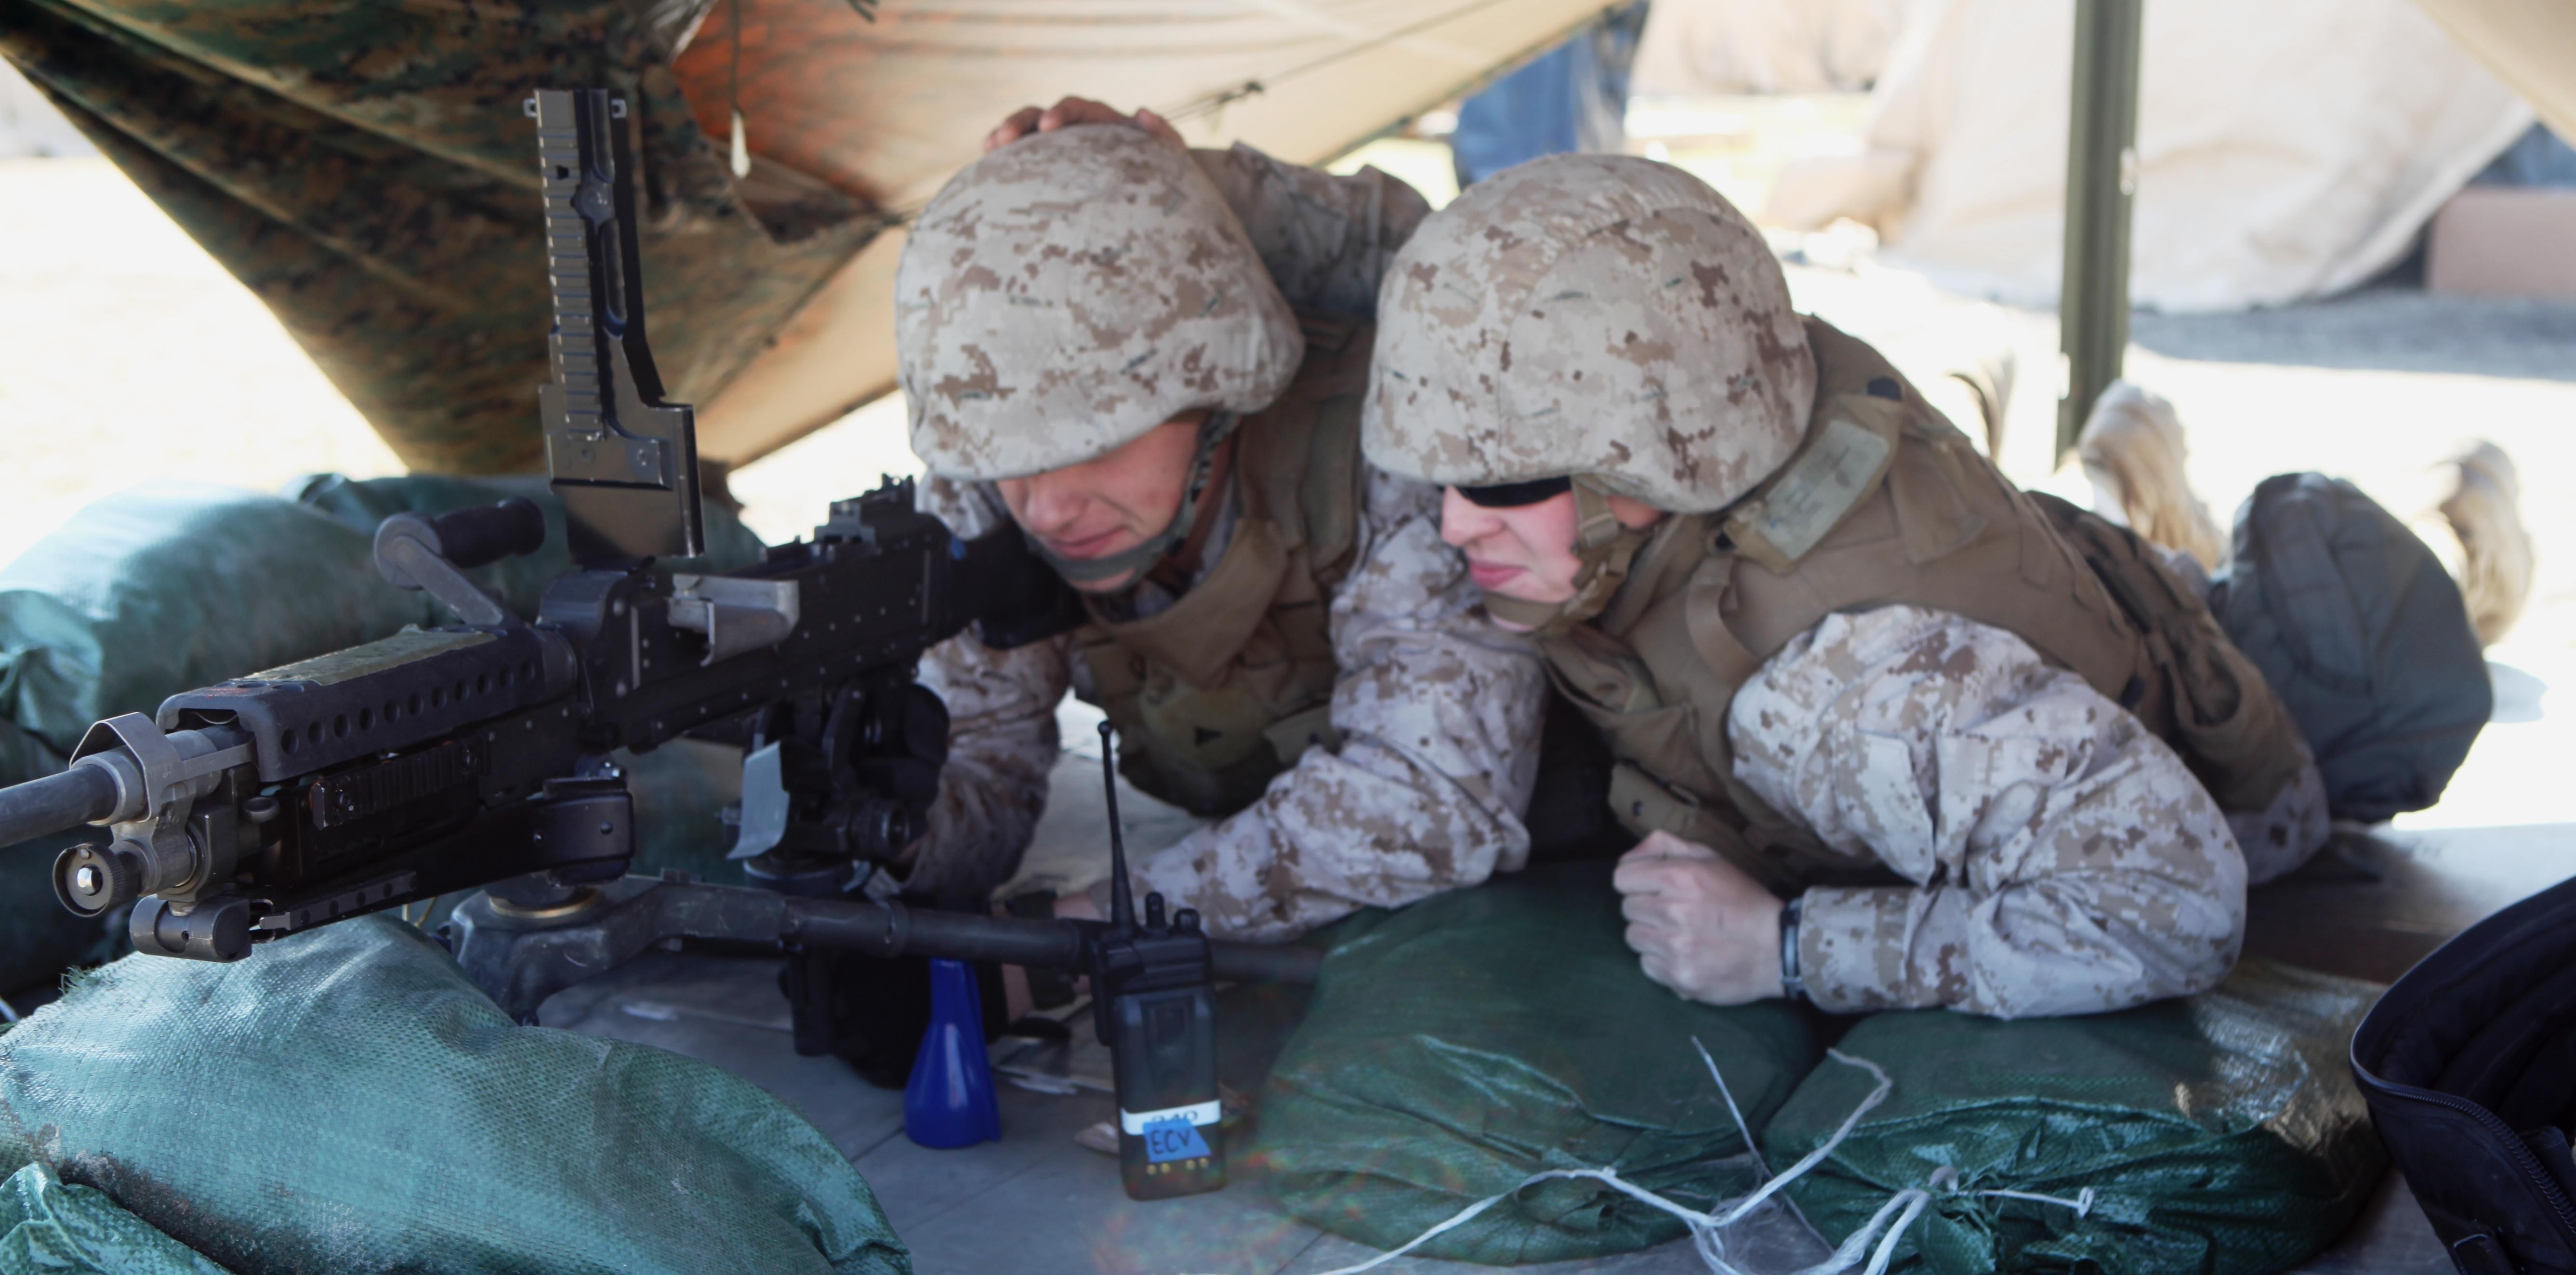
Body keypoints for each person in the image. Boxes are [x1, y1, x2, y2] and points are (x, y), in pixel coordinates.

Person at [1361, 153, 2334, 1019]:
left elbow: (2176, 905)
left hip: (2227, 767)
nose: (1455, 524)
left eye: (1505, 486)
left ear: (1656, 462)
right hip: (2045, 616)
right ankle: (2114, 477)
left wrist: (1785, 948)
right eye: (1447, 481)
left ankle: (2158, 502)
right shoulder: (1711, 377)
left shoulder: (1843, 691)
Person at [890, 103, 1546, 943]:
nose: (1046, 509)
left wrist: (1089, 935)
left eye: (1095, 444)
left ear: (1217, 393)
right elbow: (988, 762)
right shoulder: (985, 478)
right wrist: (899, 827)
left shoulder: (1381, 450)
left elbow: (1435, 801)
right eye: (1011, 459)